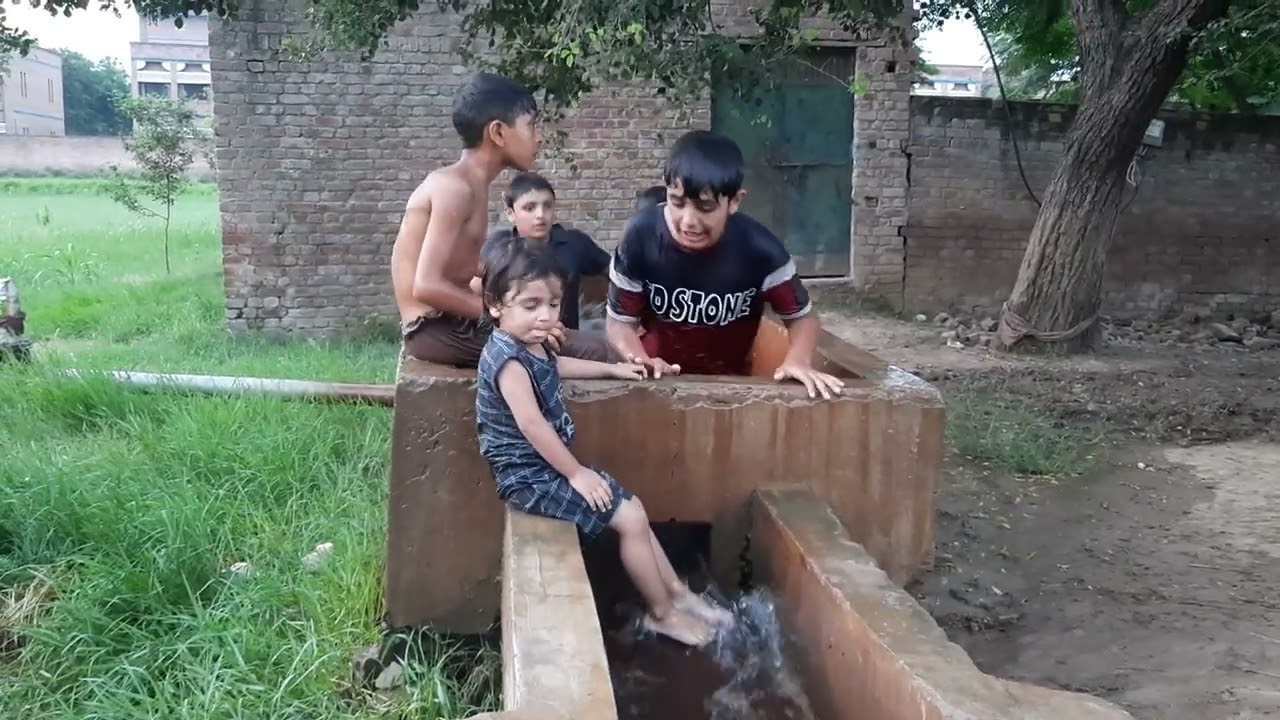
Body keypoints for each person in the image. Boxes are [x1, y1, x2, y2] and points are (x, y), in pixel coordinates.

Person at [476, 238, 734, 647]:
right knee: (629, 520)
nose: (545, 316)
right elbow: (530, 423)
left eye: (553, 304)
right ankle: (661, 614)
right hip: (527, 477)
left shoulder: (530, 344)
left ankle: (680, 595)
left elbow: (556, 364)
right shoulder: (506, 359)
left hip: (544, 468)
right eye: (530, 305)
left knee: (635, 509)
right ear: (495, 305)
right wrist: (575, 473)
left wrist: (611, 370)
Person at [605, 130, 846, 399]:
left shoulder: (762, 252)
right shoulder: (639, 238)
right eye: (677, 202)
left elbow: (803, 318)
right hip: (655, 384)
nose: (688, 221)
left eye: (704, 207)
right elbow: (619, 323)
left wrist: (798, 359)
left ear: (734, 201)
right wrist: (639, 359)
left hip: (728, 389)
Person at [390, 72, 608, 366]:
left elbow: (467, 273)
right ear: (498, 133)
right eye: (530, 126)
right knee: (593, 354)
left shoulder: (473, 186)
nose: (538, 136)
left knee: (572, 340)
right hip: (432, 330)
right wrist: (511, 317)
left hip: (453, 324)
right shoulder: (453, 188)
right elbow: (427, 285)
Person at [481, 172, 611, 333]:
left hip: (564, 336)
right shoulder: (499, 246)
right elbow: (477, 291)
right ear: (510, 213)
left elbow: (616, 272)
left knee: (607, 353)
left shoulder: (574, 243)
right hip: (513, 335)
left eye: (547, 206)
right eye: (530, 208)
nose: (540, 215)